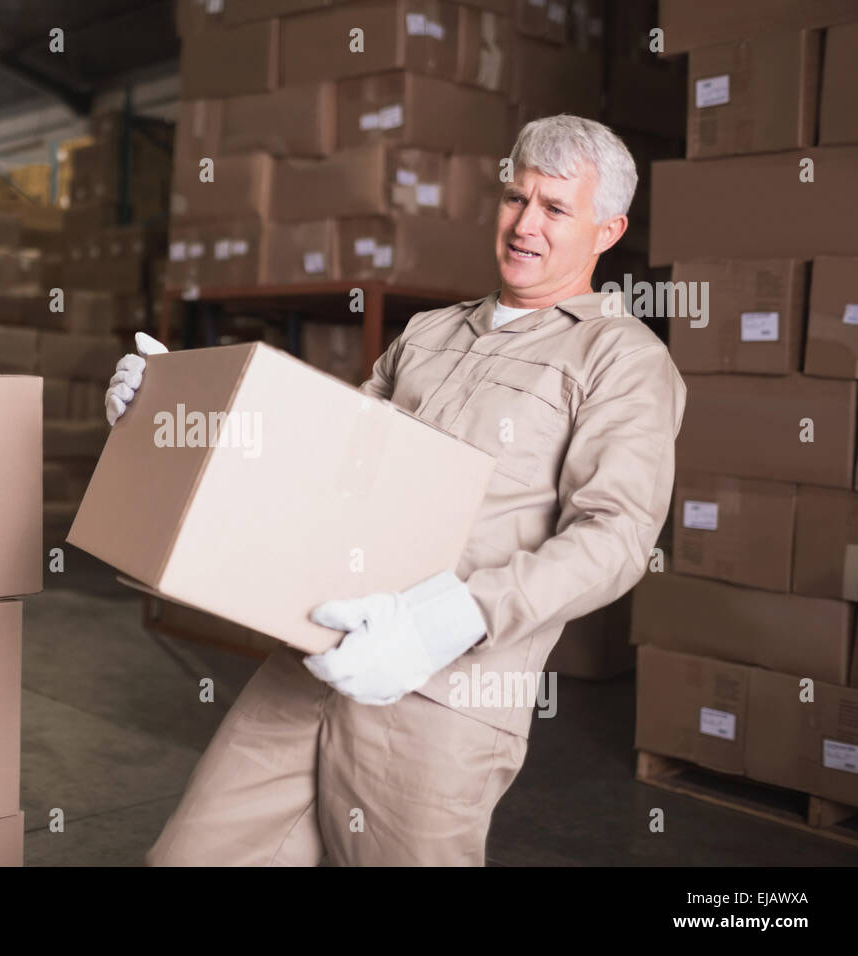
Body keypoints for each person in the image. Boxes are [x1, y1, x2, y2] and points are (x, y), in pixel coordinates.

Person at [104, 114, 687, 866]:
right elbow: (327, 458)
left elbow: (615, 539)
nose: (524, 225)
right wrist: (172, 413)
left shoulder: (623, 360)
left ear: (608, 231)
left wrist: (444, 621)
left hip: (445, 694)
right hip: (316, 647)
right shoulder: (429, 333)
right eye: (515, 198)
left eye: (554, 208)